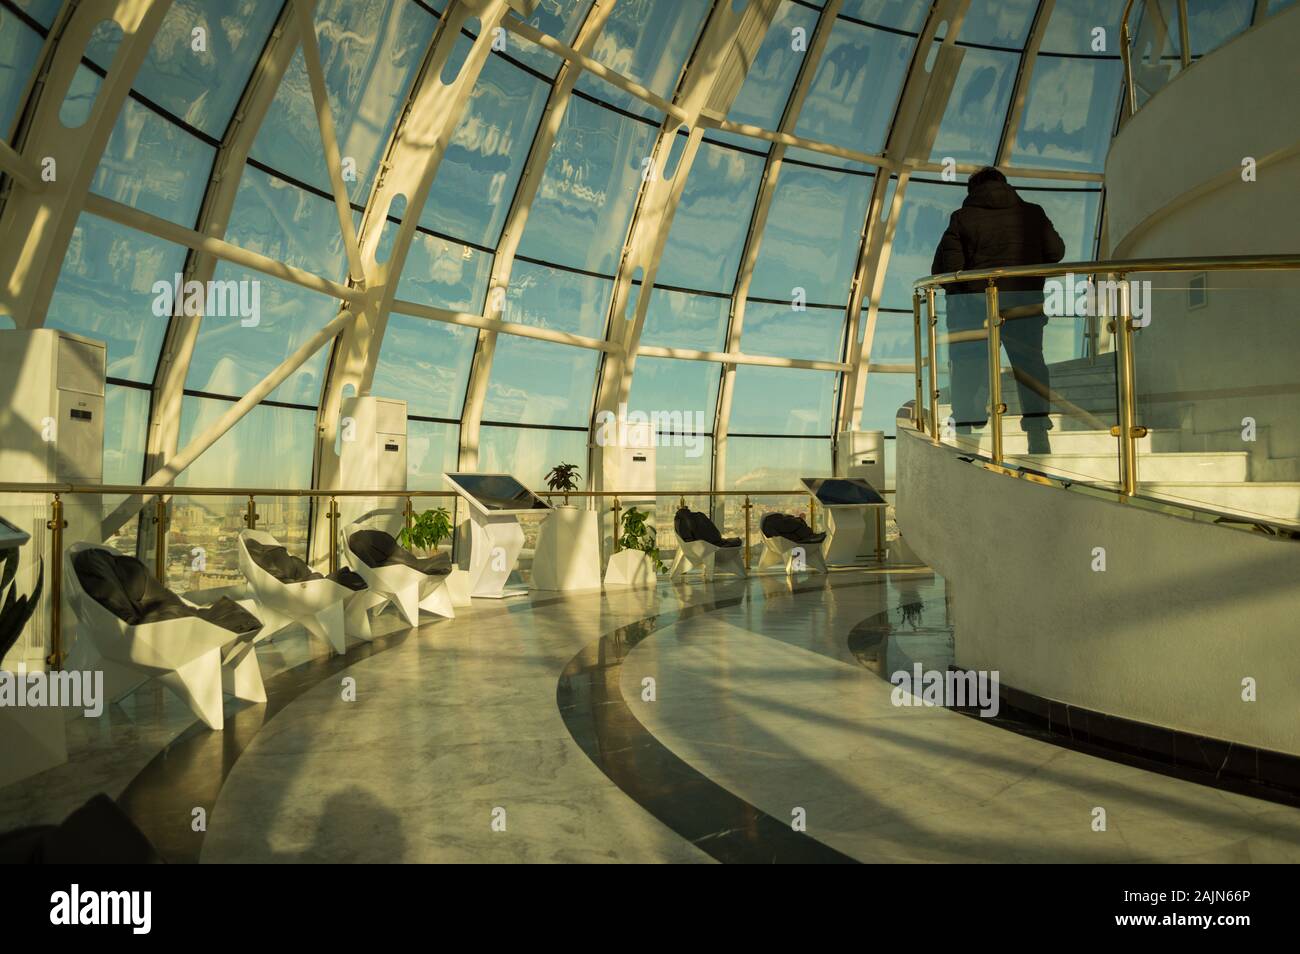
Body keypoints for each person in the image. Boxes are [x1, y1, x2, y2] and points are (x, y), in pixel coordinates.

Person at [931, 167, 1065, 455]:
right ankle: (1038, 433)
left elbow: (946, 268)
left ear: (972, 190)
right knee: (1030, 367)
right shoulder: (1032, 213)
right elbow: (1055, 252)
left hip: (974, 308)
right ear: (1005, 184)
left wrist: (965, 297)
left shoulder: (962, 218)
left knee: (970, 366)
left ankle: (966, 431)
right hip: (1024, 306)